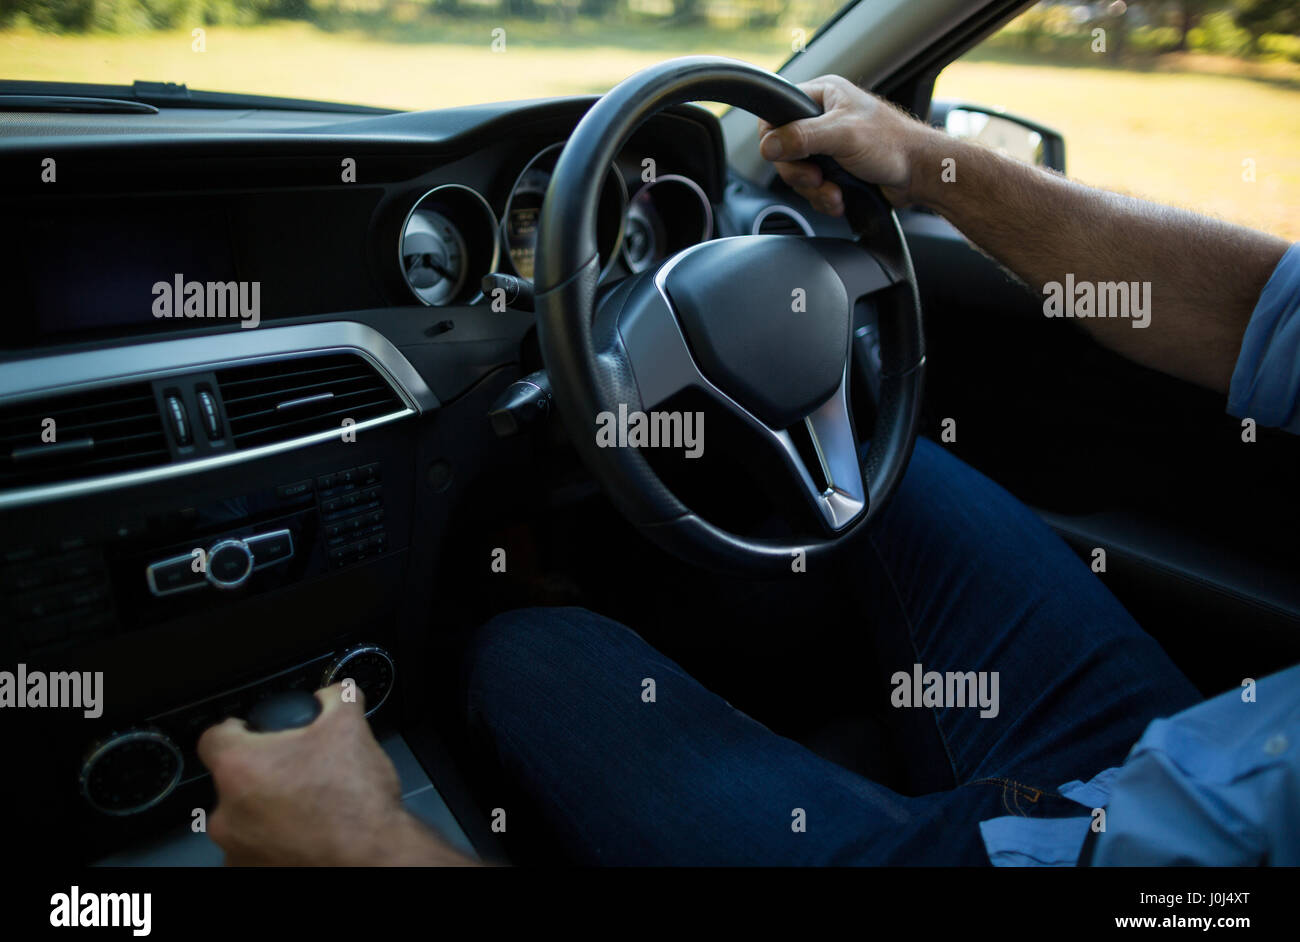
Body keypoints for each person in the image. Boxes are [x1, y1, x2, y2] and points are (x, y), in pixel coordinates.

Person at [197, 76, 1300, 866]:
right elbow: (1258, 312)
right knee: (881, 474)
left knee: (527, 647)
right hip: (1193, 768)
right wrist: (927, 163)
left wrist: (362, 845)